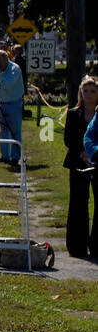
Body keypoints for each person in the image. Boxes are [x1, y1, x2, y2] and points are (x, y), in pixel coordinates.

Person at [64, 77, 98, 257]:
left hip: (97, 161)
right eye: (86, 91)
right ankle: (77, 246)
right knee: (78, 203)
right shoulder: (73, 113)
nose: (89, 95)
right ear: (81, 93)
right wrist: (82, 153)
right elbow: (68, 139)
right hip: (78, 162)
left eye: (93, 91)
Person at [0, 49, 24, 168]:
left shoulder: (14, 69)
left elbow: (8, 84)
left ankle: (15, 158)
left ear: (5, 60)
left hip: (14, 104)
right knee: (3, 131)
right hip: (2, 104)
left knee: (15, 131)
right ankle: (5, 156)